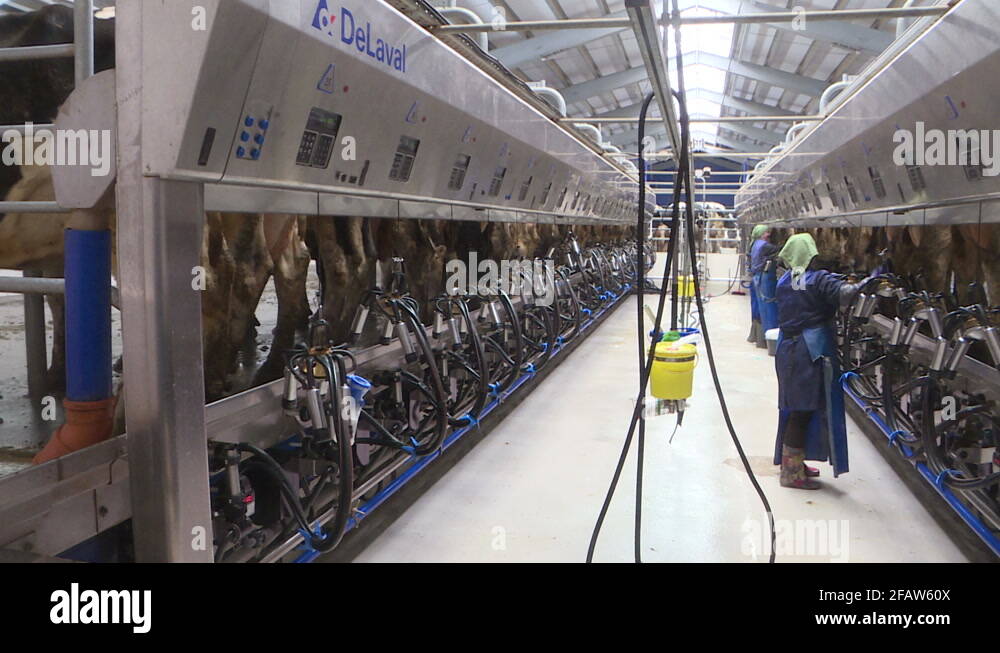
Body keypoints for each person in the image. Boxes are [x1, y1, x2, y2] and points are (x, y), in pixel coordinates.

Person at [772, 233, 862, 489]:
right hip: (807, 352)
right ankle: (791, 474)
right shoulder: (818, 279)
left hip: (787, 350)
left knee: (795, 406)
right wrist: (870, 280)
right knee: (802, 410)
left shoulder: (784, 280)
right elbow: (846, 295)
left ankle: (795, 463)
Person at [749, 225, 780, 348]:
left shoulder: (755, 243)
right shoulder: (764, 245)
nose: (768, 235)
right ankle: (771, 340)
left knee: (761, 308)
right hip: (763, 277)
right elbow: (779, 249)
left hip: (757, 278)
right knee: (769, 309)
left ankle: (760, 338)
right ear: (761, 233)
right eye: (766, 232)